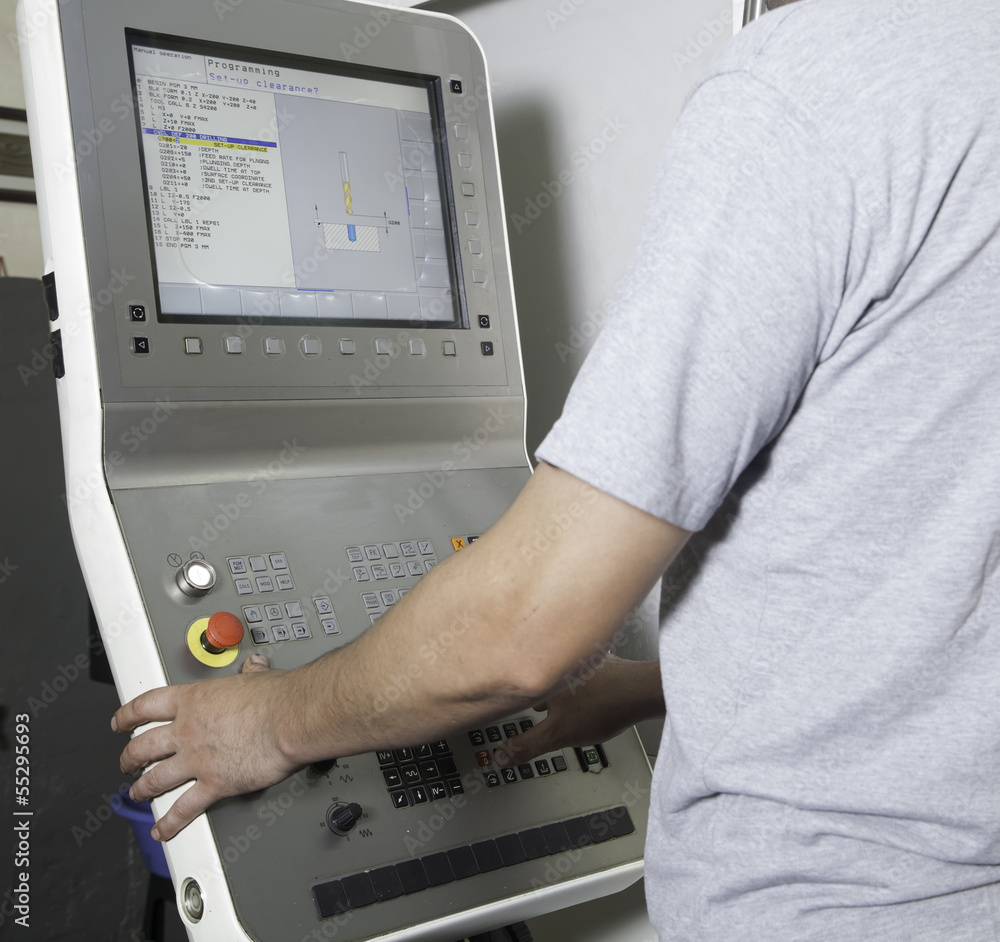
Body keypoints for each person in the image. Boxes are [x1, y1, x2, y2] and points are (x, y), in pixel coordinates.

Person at [114, 0, 1000, 937]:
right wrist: (666, 683)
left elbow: (518, 628)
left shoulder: (821, 88)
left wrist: (270, 721)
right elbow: (933, 581)